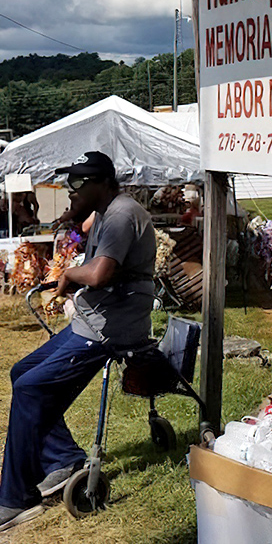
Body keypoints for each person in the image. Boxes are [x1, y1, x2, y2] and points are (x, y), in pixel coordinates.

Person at [0, 151, 156, 532]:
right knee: (23, 370)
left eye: (77, 184)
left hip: (109, 329)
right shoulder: (109, 211)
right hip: (92, 321)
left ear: (102, 184)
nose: (70, 191)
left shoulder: (120, 214)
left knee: (31, 387)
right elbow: (91, 231)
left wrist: (70, 272)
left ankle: (16, 500)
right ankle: (64, 460)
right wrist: (76, 216)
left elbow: (101, 274)